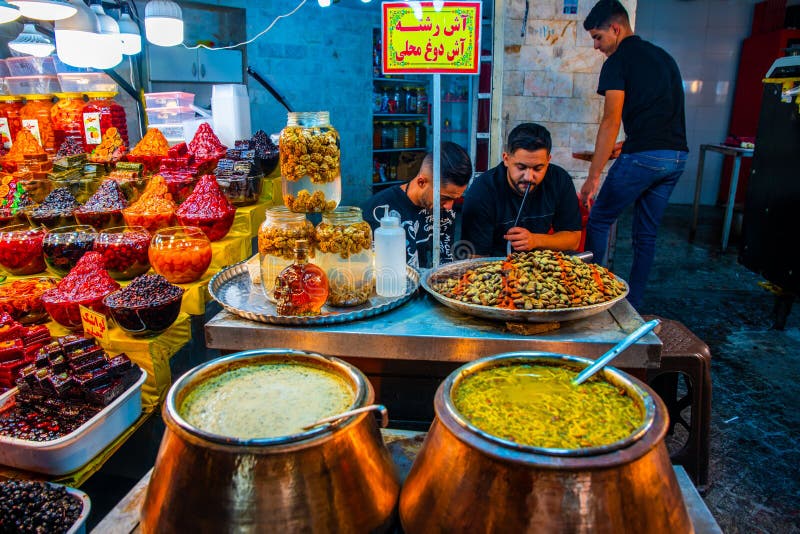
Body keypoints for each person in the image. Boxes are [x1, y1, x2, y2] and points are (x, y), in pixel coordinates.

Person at [580, 0, 689, 310]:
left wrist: (593, 176)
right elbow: (662, 114)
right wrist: (627, 145)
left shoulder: (617, 61)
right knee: (646, 234)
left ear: (616, 28)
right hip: (676, 157)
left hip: (644, 157)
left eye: (598, 37)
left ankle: (590, 296)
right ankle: (635, 304)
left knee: (599, 220)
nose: (597, 46)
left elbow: (611, 119)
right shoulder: (663, 57)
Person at [461, 123, 581, 257]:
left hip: (541, 267)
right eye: (521, 167)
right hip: (496, 268)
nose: (529, 177)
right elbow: (476, 258)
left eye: (538, 168)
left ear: (548, 161)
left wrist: (536, 240)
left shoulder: (559, 180)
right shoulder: (482, 191)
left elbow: (574, 239)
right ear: (506, 159)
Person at [361, 141, 472, 269]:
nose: (449, 206)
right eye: (444, 198)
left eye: (455, 199)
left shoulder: (444, 212)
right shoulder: (376, 214)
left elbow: (444, 265)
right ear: (421, 182)